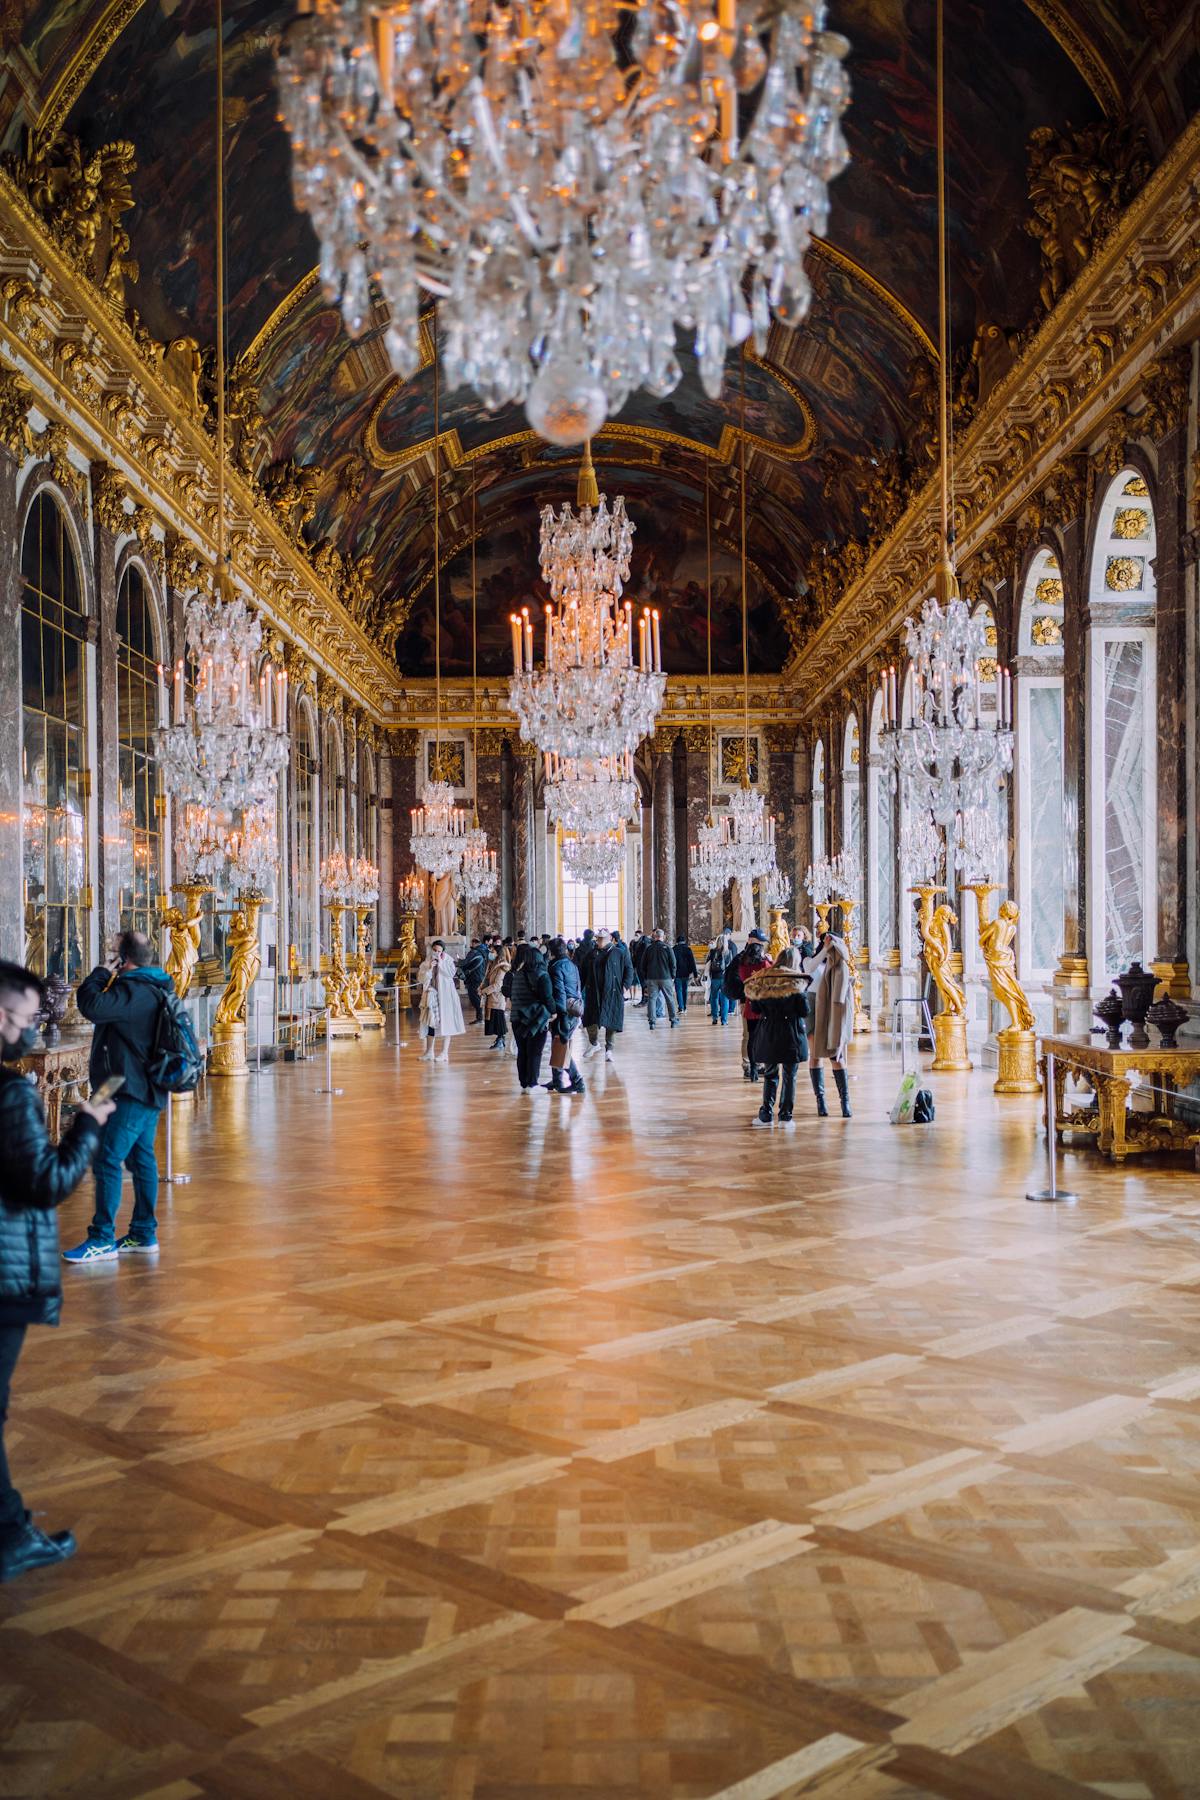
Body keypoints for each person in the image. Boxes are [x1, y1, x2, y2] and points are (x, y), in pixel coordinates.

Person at [0, 959, 115, 1581]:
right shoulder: (10, 1091)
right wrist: (85, 1129)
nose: (26, 1030)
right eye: (21, 1018)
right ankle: (11, 1533)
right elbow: (46, 1184)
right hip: (6, 1270)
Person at [64, 929, 176, 1263]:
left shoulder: (136, 989)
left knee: (108, 1158)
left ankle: (101, 1239)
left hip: (131, 1089)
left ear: (123, 959)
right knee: (140, 1157)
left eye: (114, 952)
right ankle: (143, 1233)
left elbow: (91, 1005)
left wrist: (101, 970)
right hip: (123, 1084)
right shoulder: (150, 986)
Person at [744, 948, 810, 1127]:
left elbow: (756, 1009)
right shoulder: (797, 982)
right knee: (790, 1076)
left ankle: (765, 1115)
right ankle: (785, 1117)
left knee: (770, 1074)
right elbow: (805, 1011)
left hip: (769, 1032)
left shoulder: (764, 979)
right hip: (791, 1033)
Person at [804, 927, 855, 1117]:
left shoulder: (840, 965)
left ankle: (845, 1101)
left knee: (836, 1056)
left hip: (832, 1010)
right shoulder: (811, 958)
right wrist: (825, 949)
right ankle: (821, 1100)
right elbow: (808, 968)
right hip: (812, 1005)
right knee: (815, 1053)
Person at [581, 928, 634, 1061]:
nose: (600, 941)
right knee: (590, 1019)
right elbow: (582, 971)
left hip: (613, 992)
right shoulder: (591, 954)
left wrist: (624, 986)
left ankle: (609, 1049)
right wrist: (579, 989)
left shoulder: (619, 953)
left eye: (602, 939)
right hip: (594, 991)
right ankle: (594, 1043)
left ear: (609, 939)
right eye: (598, 939)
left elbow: (629, 969)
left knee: (611, 1021)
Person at [726, 929, 771, 1080]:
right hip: (749, 1001)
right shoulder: (741, 959)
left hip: (754, 1001)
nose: (761, 945)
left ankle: (757, 1064)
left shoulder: (758, 959)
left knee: (756, 1034)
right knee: (748, 1035)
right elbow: (733, 979)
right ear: (751, 941)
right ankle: (748, 1064)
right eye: (759, 942)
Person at [509, 943, 554, 1091]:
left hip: (516, 1017)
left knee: (522, 1052)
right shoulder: (541, 975)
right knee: (535, 1052)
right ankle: (532, 1084)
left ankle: (524, 1083)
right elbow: (547, 998)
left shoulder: (517, 975)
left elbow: (512, 995)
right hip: (535, 1019)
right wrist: (554, 1012)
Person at [546, 936, 585, 1094]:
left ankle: (577, 1081)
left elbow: (559, 992)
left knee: (561, 1047)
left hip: (564, 1012)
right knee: (558, 1045)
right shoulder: (571, 964)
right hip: (575, 1009)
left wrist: (559, 1014)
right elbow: (577, 987)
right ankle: (556, 1081)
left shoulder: (555, 967)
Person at [417, 939, 466, 1063]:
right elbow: (421, 978)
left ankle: (444, 1053)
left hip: (446, 997)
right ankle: (429, 1052)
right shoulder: (426, 962)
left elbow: (450, 974)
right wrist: (429, 968)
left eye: (439, 951)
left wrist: (441, 963)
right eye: (434, 950)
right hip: (432, 996)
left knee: (447, 1023)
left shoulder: (448, 961)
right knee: (430, 1023)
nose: (436, 953)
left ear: (443, 951)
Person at [640, 928, 678, 1030]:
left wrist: (646, 977)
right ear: (663, 937)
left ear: (654, 937)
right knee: (669, 999)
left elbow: (642, 965)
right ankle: (673, 1020)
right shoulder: (667, 948)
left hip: (651, 978)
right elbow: (673, 964)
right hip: (666, 977)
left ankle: (652, 1022)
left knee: (652, 999)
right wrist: (673, 976)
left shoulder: (649, 948)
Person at [482, 943, 513, 1053]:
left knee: (499, 1020)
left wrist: (484, 991)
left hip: (497, 998)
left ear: (498, 954)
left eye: (493, 951)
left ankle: (501, 1039)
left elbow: (497, 985)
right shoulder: (493, 965)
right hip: (493, 998)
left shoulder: (502, 968)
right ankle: (499, 1039)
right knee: (495, 1020)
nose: (491, 953)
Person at [705, 928, 735, 1025]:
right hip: (724, 978)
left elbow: (708, 964)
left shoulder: (712, 951)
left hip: (714, 978)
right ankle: (724, 1020)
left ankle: (714, 1018)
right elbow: (730, 967)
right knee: (725, 999)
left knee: (714, 998)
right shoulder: (728, 952)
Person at [460, 938, 489, 1023]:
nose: (471, 945)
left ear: (474, 943)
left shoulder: (474, 952)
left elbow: (465, 962)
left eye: (471, 943)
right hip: (481, 976)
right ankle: (481, 1017)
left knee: (474, 997)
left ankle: (480, 1018)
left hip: (474, 977)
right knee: (478, 997)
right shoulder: (484, 951)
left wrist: (457, 961)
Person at [672, 933, 698, 1015]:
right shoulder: (688, 949)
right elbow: (692, 962)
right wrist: (695, 974)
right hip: (686, 973)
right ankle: (685, 1007)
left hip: (677, 973)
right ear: (684, 941)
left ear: (677, 941)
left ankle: (681, 1008)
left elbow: (671, 962)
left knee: (678, 990)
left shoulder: (674, 949)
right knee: (685, 990)